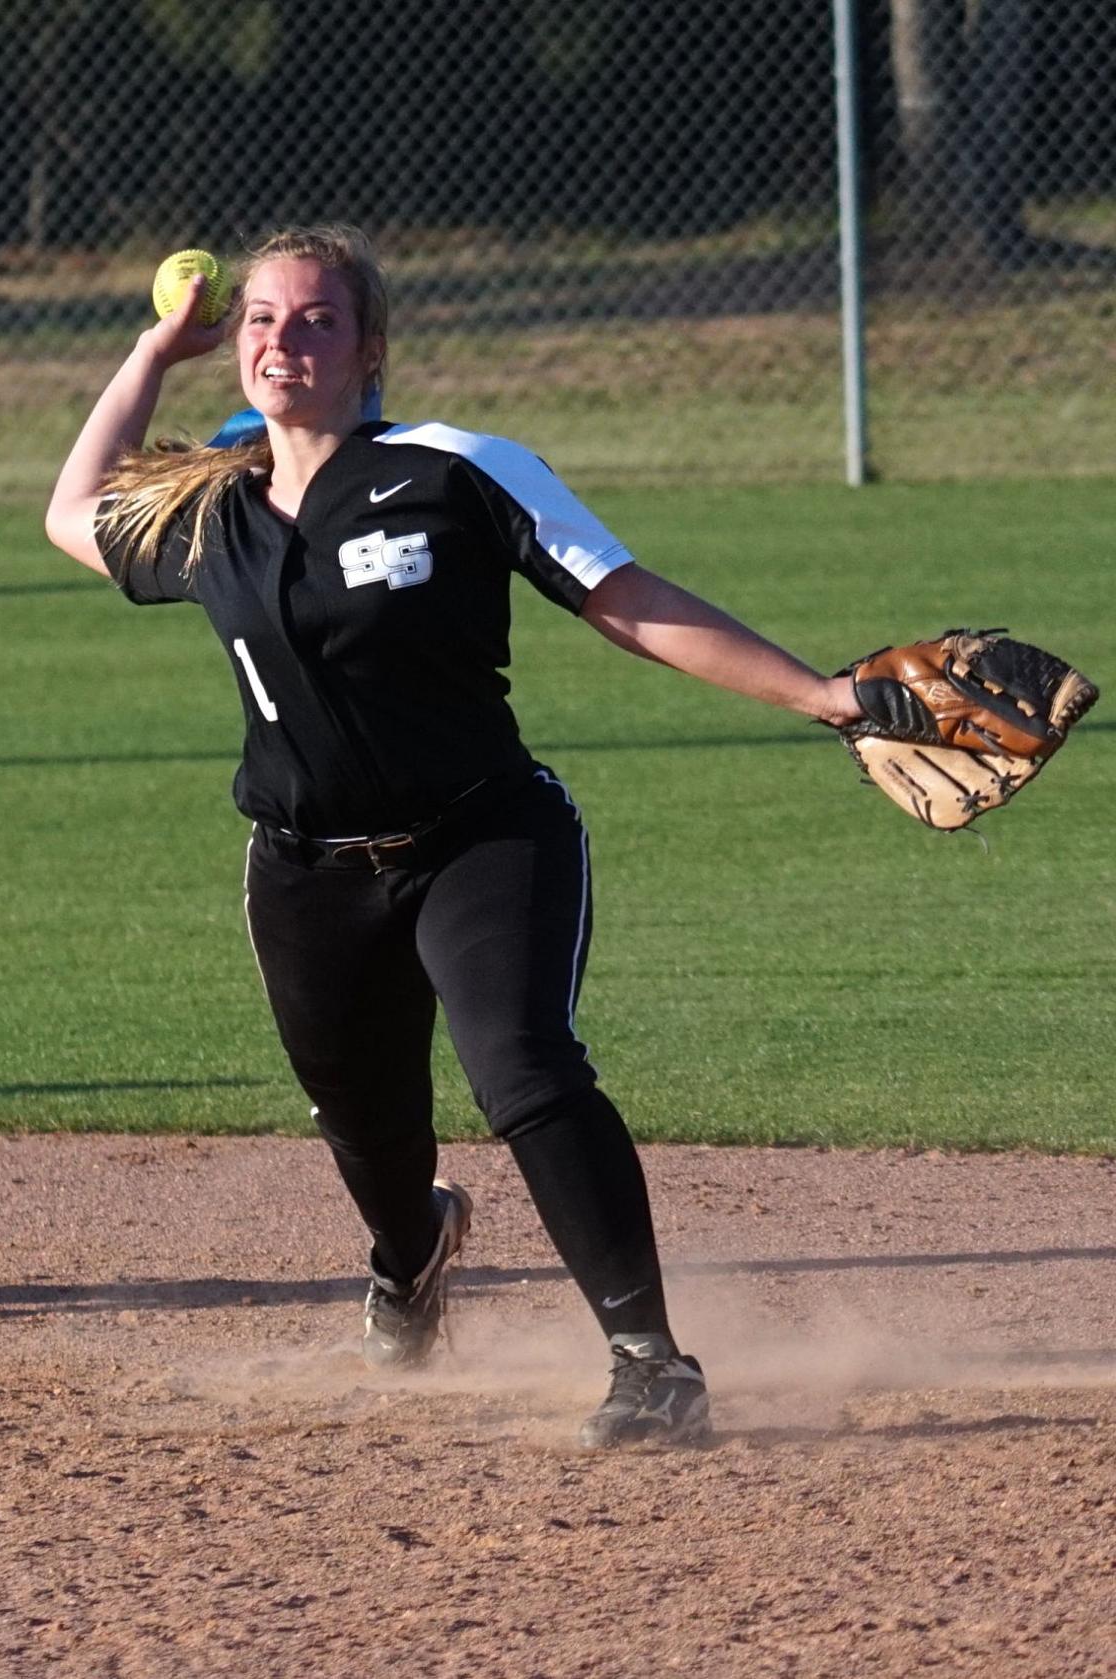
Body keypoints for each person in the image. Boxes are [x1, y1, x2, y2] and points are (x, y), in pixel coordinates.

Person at [45, 224, 863, 1450]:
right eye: (263, 318)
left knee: (523, 1070)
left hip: (480, 837)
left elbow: (623, 597)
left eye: (317, 318)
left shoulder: (455, 469)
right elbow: (71, 512)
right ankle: (413, 1251)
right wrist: (157, 349)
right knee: (366, 1126)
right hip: (304, 868)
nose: (283, 340)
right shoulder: (210, 500)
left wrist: (827, 696)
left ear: (370, 347)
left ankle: (651, 1360)